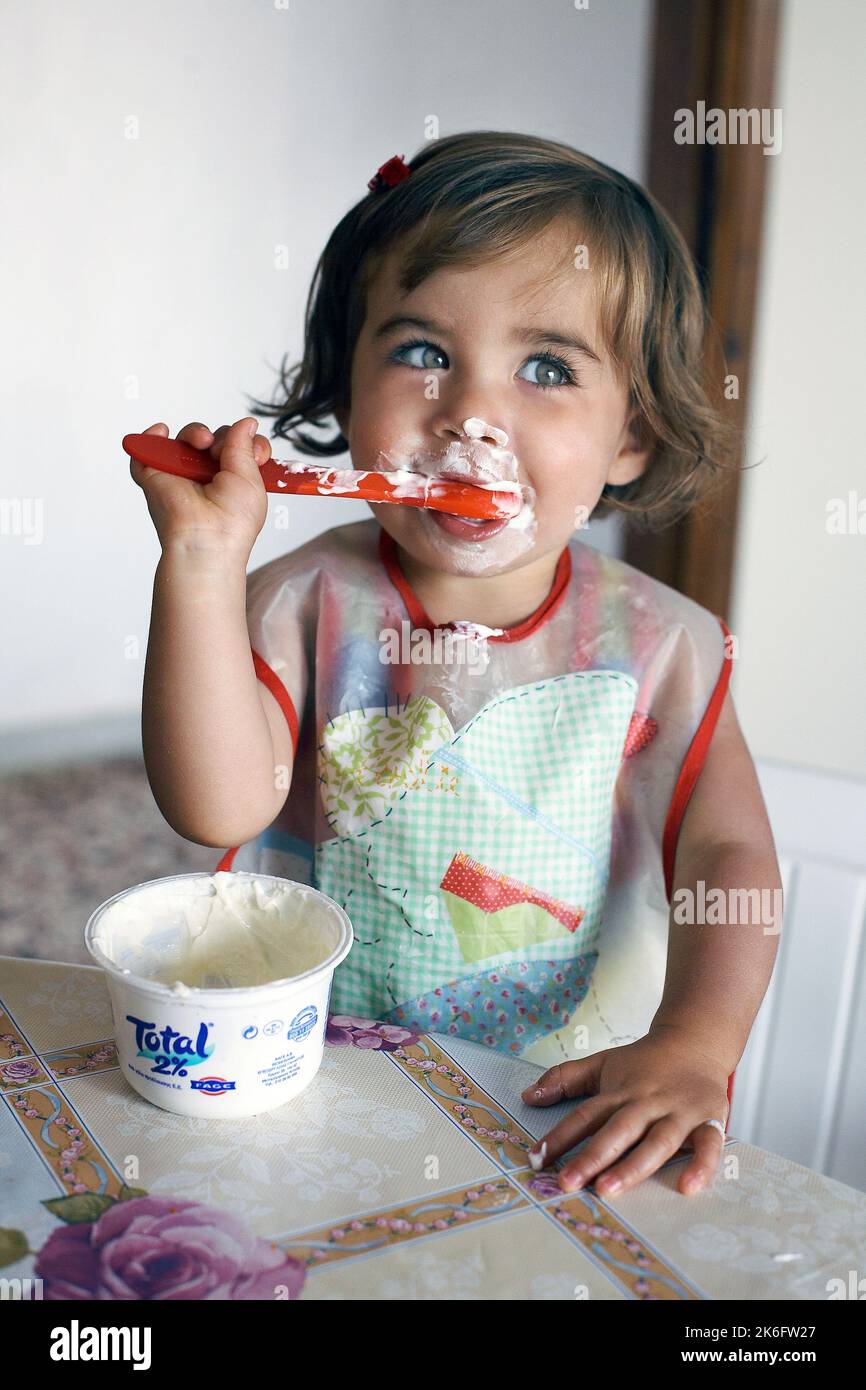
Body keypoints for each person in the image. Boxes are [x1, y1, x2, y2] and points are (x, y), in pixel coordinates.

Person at [130, 131, 782, 1199]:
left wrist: (694, 1043)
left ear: (631, 436)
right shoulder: (301, 602)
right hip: (304, 1080)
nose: (470, 413)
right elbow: (213, 806)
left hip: (557, 1100)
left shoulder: (660, 644)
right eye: (423, 351)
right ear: (344, 391)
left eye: (545, 367)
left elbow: (726, 860)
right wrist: (202, 563)